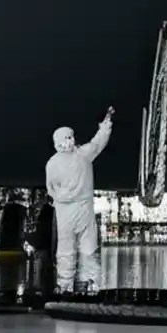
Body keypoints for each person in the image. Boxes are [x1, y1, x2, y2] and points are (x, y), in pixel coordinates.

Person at [45, 106, 114, 294]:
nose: (69, 141)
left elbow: (98, 142)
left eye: (70, 137)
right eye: (65, 138)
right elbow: (51, 188)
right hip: (66, 211)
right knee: (66, 248)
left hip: (82, 208)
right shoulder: (53, 163)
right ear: (57, 142)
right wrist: (63, 197)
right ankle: (65, 284)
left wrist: (106, 125)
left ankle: (88, 283)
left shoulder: (83, 155)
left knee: (89, 247)